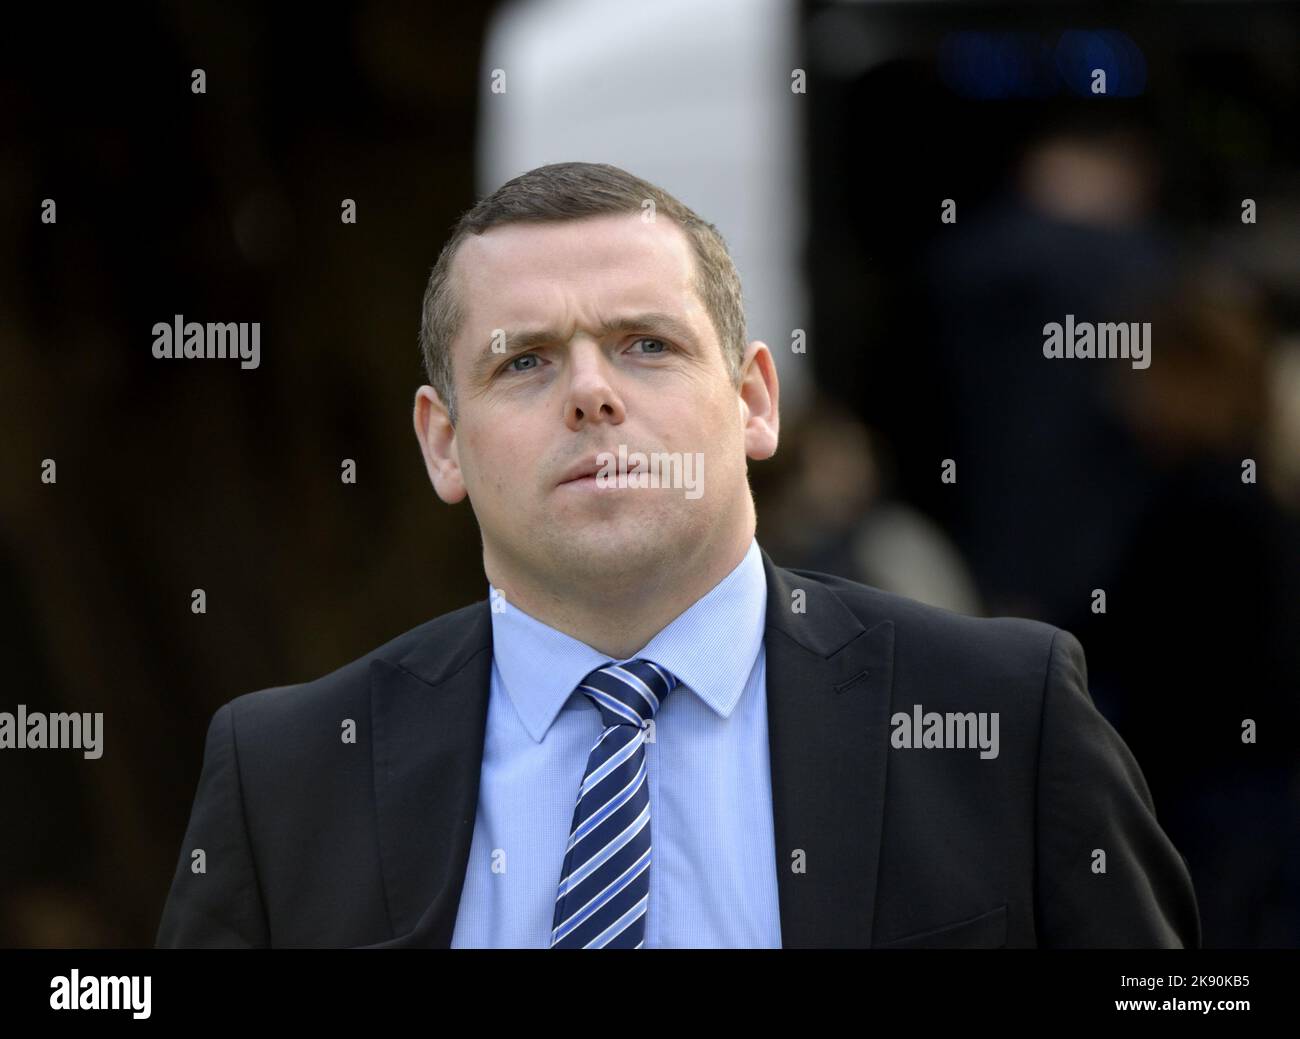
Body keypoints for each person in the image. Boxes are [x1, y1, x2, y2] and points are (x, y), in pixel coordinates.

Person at [155, 161, 1199, 949]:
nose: (590, 391)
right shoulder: (285, 774)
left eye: (645, 344)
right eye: (523, 361)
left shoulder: (1006, 720)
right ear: (442, 442)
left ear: (753, 399)